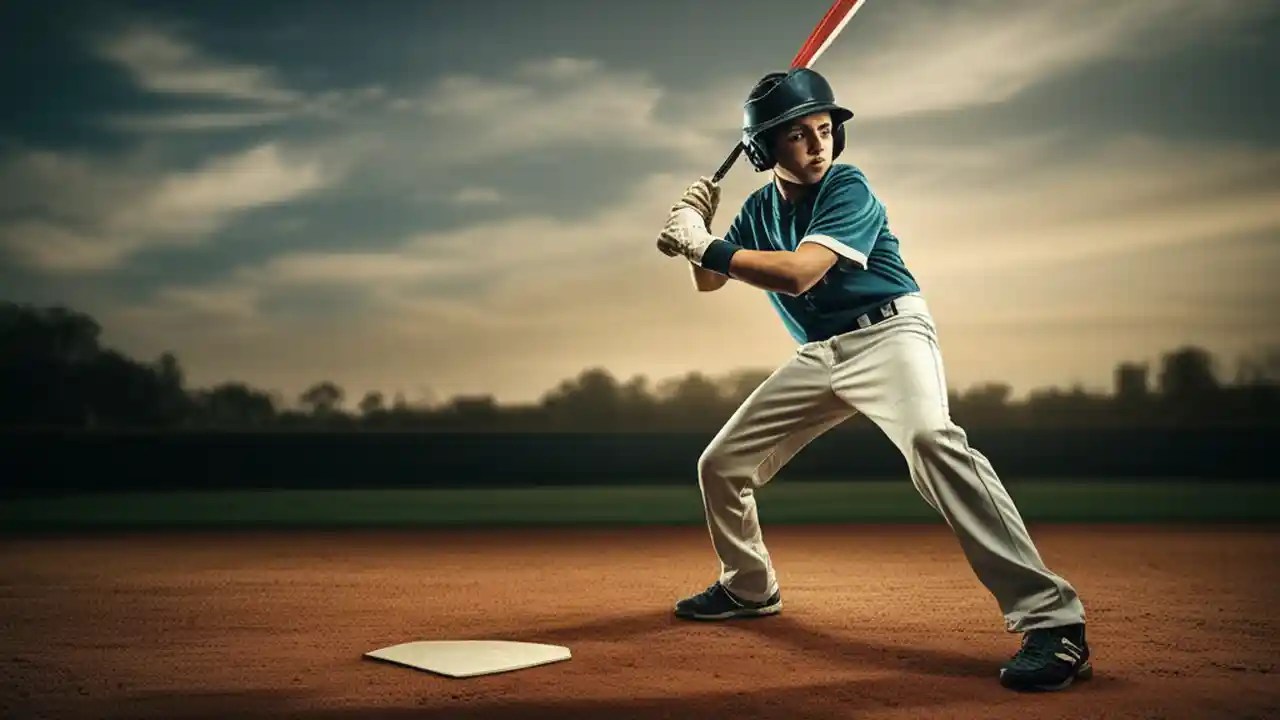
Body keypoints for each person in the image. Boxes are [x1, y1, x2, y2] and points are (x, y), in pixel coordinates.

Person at [655, 68, 1092, 692]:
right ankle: (748, 586)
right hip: (822, 352)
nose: (818, 144)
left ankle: (1055, 622)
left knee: (930, 442)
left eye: (825, 130)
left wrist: (703, 246)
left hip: (891, 336)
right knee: (721, 464)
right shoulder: (756, 208)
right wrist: (697, 224)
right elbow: (709, 281)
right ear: (763, 149)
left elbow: (800, 273)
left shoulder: (847, 186)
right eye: (799, 135)